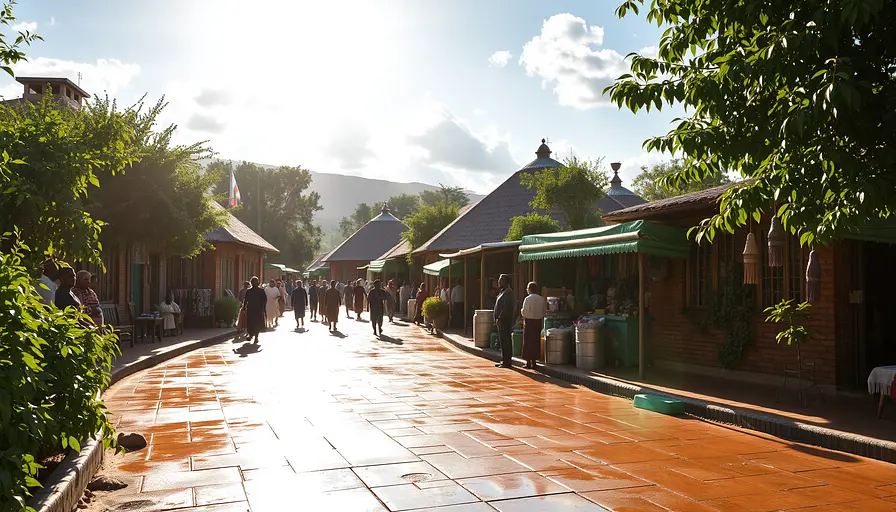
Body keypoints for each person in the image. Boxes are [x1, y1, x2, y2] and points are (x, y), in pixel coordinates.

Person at [520, 282, 546, 369]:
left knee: (527, 342)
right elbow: (543, 312)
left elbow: (524, 312)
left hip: (529, 322)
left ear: (530, 289)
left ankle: (528, 362)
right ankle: (534, 362)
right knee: (535, 342)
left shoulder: (528, 299)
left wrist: (522, 312)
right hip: (538, 322)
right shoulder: (541, 299)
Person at [494, 274, 515, 369]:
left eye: (500, 280)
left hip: (505, 320)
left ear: (506, 281)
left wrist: (500, 318)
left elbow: (506, 308)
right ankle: (504, 359)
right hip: (501, 321)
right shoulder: (503, 292)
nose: (498, 282)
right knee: (502, 341)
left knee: (505, 340)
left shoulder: (508, 292)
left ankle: (507, 361)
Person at [242, 277, 267, 344]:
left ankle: (256, 337)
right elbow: (245, 300)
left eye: (255, 282)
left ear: (258, 282)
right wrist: (243, 307)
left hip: (258, 310)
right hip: (250, 309)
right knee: (250, 323)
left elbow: (264, 300)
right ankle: (250, 335)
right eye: (253, 282)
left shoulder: (261, 291)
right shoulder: (249, 291)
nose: (254, 283)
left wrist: (263, 309)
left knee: (257, 324)